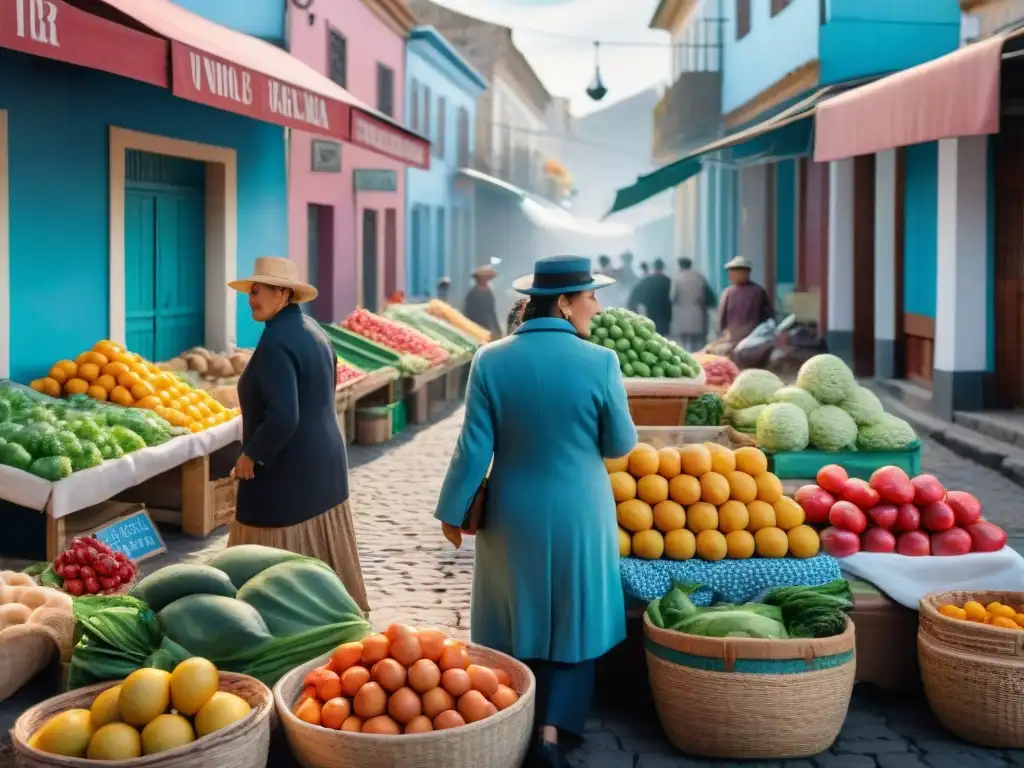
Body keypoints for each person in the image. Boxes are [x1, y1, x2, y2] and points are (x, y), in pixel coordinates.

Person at [435, 256, 637, 768]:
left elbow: (473, 448)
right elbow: (619, 444)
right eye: (591, 294)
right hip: (580, 508)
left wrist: (452, 510)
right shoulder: (601, 361)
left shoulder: (491, 359)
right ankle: (551, 732)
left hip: (513, 509)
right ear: (567, 303)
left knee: (513, 612)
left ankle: (510, 718)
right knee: (576, 615)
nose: (598, 303)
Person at [225, 256, 369, 613]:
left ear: (284, 294)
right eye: (250, 291)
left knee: (272, 560)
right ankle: (327, 614)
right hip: (324, 459)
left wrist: (250, 455)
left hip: (287, 467)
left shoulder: (276, 343)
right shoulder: (315, 332)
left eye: (259, 291)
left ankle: (279, 618)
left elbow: (284, 417)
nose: (251, 298)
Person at [717, 256, 773, 346]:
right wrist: (722, 334)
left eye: (734, 271)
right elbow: (722, 318)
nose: (730, 275)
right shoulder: (728, 292)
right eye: (730, 272)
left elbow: (767, 316)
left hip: (753, 339)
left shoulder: (758, 291)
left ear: (746, 272)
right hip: (731, 339)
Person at [671, 257, 715, 351]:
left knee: (685, 342)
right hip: (698, 312)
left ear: (680, 265)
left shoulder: (677, 278)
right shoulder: (699, 277)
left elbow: (673, 297)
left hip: (683, 313)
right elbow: (707, 294)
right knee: (698, 342)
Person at [628, 257, 672, 335]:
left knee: (653, 333)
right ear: (663, 267)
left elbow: (637, 294)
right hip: (664, 312)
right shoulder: (667, 280)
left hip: (652, 310)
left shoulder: (648, 280)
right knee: (663, 335)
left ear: (654, 267)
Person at [464, 264, 502, 339]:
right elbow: (469, 313)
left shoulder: (489, 292)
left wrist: (497, 328)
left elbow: (492, 312)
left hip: (487, 327)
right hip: (476, 327)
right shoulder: (473, 293)